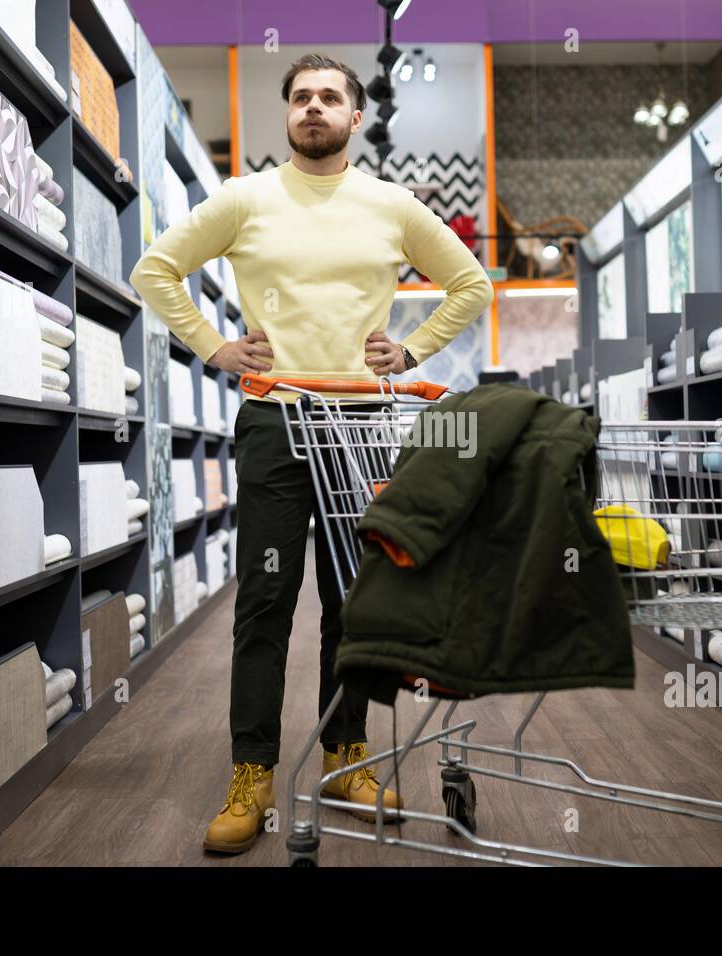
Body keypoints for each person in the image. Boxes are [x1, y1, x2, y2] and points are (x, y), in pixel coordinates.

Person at [130, 52, 494, 854]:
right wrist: (213, 346)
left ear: (355, 117)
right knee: (264, 602)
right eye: (301, 98)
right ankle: (252, 773)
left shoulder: (391, 205)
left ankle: (344, 758)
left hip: (361, 426)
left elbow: (472, 283)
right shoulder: (245, 199)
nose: (314, 107)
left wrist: (413, 349)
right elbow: (154, 269)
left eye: (330, 97)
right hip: (274, 420)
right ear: (287, 115)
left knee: (352, 604)